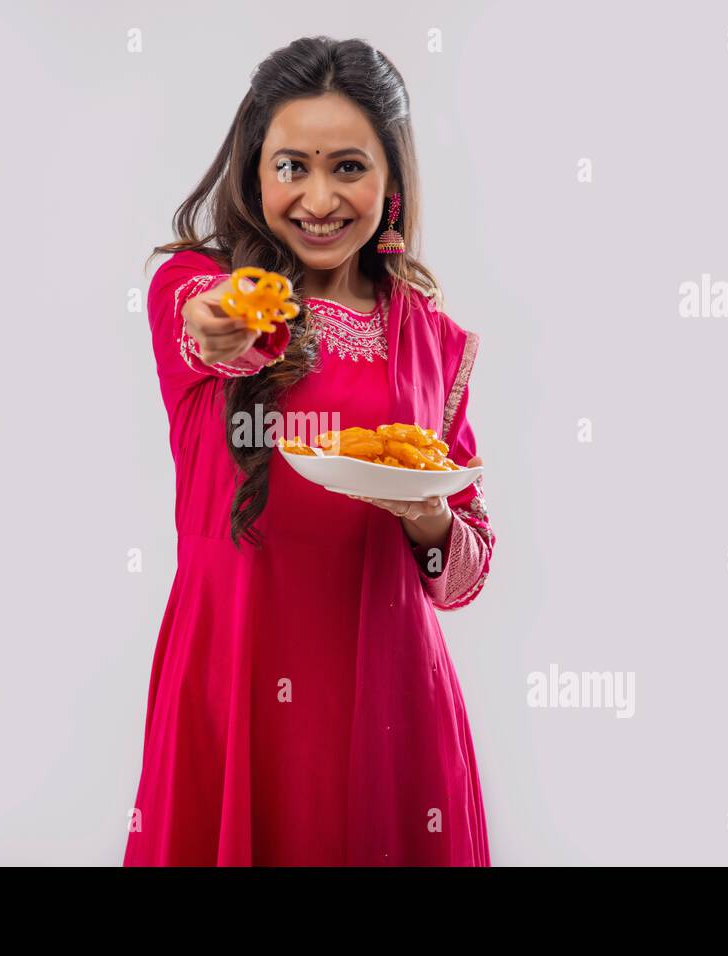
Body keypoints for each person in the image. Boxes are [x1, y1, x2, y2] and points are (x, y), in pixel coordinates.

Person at [125, 36, 494, 866]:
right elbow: (211, 328)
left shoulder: (435, 339)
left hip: (393, 690)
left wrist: (433, 522)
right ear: (255, 175)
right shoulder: (196, 288)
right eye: (292, 166)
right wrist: (224, 317)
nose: (319, 198)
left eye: (350, 168)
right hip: (235, 674)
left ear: (391, 181)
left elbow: (466, 565)